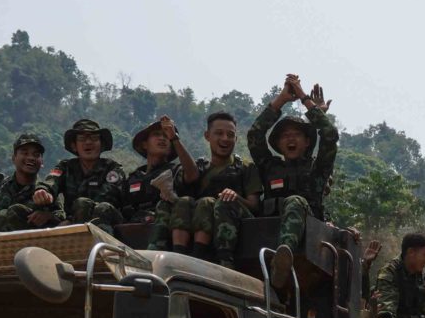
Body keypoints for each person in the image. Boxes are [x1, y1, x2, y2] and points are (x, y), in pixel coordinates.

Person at [250, 74, 339, 289]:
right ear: (278, 144)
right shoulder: (269, 166)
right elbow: (255, 134)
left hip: (308, 237)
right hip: (266, 230)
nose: (290, 139)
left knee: (296, 201)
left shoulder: (317, 170)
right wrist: (281, 98)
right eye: (285, 136)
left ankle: (284, 257)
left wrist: (303, 98)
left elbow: (329, 134)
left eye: (296, 135)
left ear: (307, 141)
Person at [181, 111, 263, 263]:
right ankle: (187, 255)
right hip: (201, 225)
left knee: (225, 202)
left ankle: (225, 259)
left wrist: (236, 198)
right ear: (207, 136)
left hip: (239, 228)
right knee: (192, 203)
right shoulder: (198, 169)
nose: (225, 139)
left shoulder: (245, 168)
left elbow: (254, 206)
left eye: (230, 135)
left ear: (236, 139)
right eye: (219, 133)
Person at [124, 117, 200, 246]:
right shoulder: (133, 177)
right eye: (156, 135)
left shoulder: (174, 171)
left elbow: (192, 175)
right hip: (133, 229)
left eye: (166, 136)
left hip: (164, 230)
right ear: (144, 144)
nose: (162, 138)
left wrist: (174, 138)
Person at [40, 119, 127, 230]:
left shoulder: (113, 168)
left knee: (98, 207)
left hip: (109, 224)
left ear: (102, 144)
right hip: (74, 223)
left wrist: (71, 220)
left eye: (94, 138)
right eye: (82, 139)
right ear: (74, 146)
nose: (88, 142)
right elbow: (52, 181)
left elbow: (108, 196)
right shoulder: (66, 167)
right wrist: (43, 191)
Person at [0, 132, 58, 233]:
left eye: (36, 155)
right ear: (14, 158)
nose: (31, 158)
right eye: (25, 153)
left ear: (42, 162)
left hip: (30, 244)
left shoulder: (46, 190)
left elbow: (60, 218)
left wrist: (48, 216)